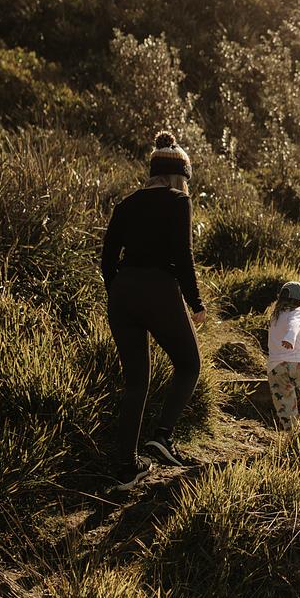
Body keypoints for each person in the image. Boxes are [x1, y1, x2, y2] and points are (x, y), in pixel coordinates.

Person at [100, 130, 205, 490]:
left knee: (135, 382)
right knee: (189, 364)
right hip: (159, 289)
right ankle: (162, 436)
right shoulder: (178, 201)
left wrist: (118, 291)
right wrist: (196, 303)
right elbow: (183, 256)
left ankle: (126, 467)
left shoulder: (126, 204)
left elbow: (107, 257)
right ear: (179, 175)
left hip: (122, 291)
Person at [267, 281, 300, 430]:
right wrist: (290, 339)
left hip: (277, 366)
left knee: (284, 400)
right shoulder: (297, 311)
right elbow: (294, 325)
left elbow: (278, 344)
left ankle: (291, 430)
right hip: (298, 364)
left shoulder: (274, 316)